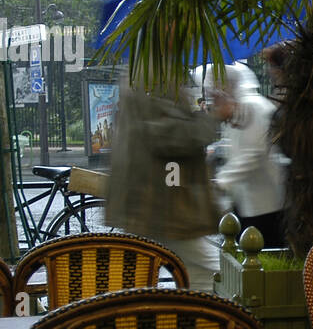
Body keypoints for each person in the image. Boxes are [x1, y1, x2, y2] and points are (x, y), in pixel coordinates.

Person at [104, 70, 226, 291]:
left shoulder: (145, 69)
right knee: (212, 273)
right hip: (164, 203)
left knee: (140, 277)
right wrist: (208, 118)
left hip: (152, 201)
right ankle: (203, 322)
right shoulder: (153, 72)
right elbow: (170, 135)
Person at [194, 60, 287, 251]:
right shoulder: (236, 112)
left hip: (267, 205)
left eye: (215, 96)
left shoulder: (254, 107)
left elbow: (252, 155)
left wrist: (221, 182)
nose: (212, 103)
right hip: (247, 203)